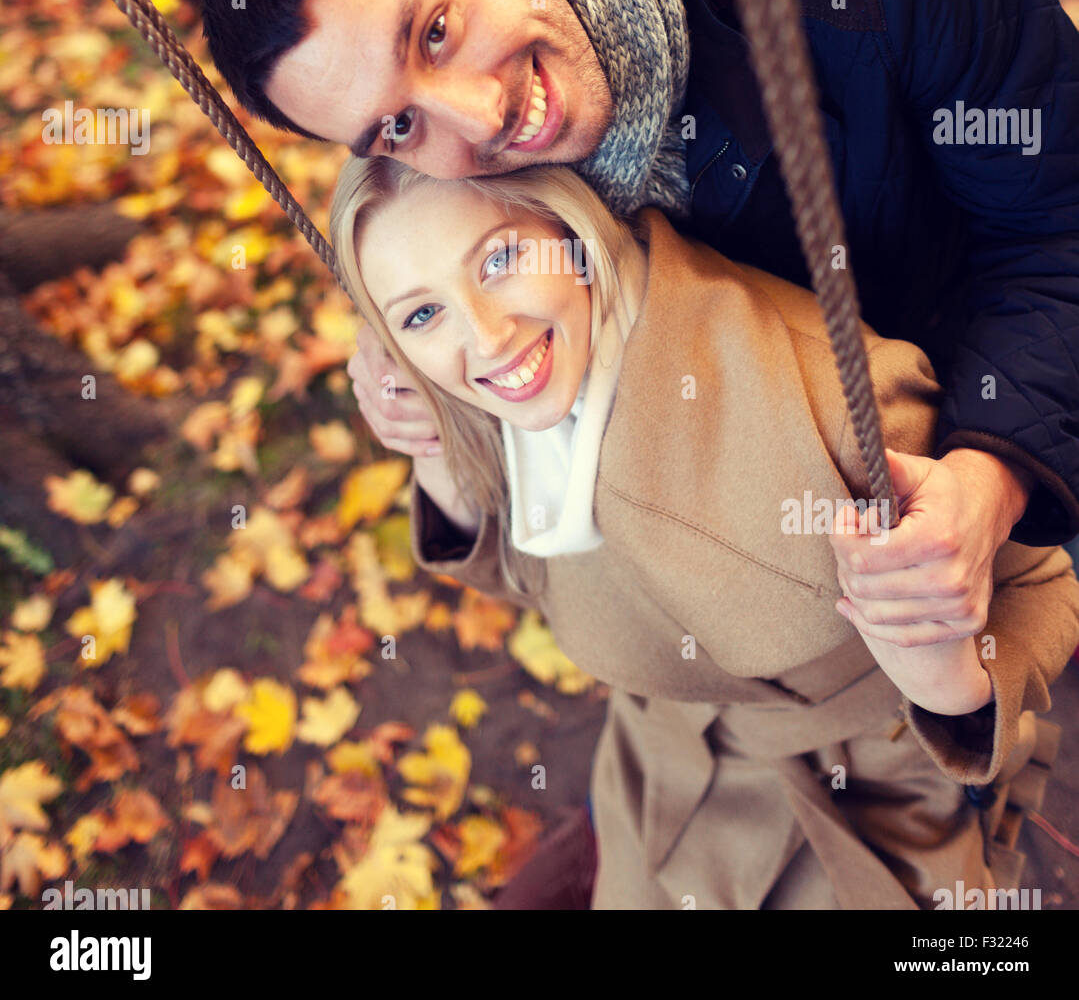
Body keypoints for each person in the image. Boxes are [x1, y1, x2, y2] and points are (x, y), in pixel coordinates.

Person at [199, 0, 1079, 654]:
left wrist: (993, 477)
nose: (479, 118)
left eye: (435, 32)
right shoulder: (456, 190)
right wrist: (399, 343)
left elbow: (1059, 226)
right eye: (394, 126)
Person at [326, 153, 1079, 910]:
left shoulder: (819, 395)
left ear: (568, 226)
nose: (486, 337)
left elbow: (1037, 581)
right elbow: (536, 581)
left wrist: (942, 679)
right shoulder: (519, 403)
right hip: (655, 768)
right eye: (421, 314)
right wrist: (437, 451)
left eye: (500, 259)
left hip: (873, 797)